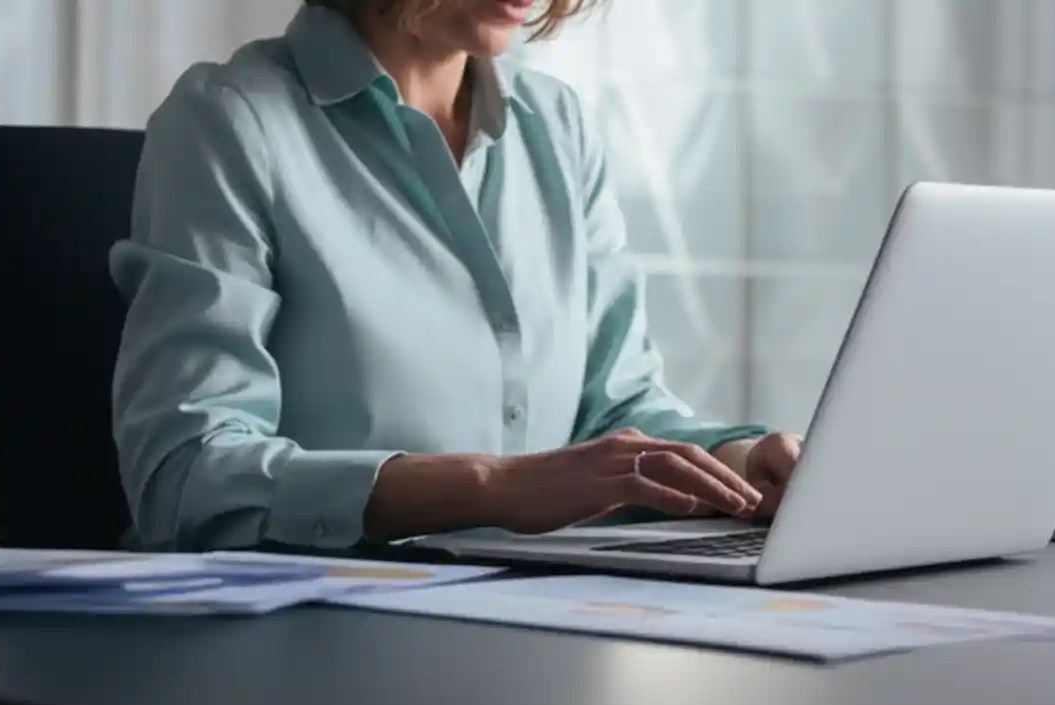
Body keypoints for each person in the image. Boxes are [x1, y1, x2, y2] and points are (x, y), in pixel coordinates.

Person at [110, 0, 803, 552]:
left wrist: (741, 467)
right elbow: (186, 477)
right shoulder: (231, 123)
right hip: (311, 638)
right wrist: (490, 486)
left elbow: (615, 412)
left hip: (534, 621)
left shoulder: (556, 126)